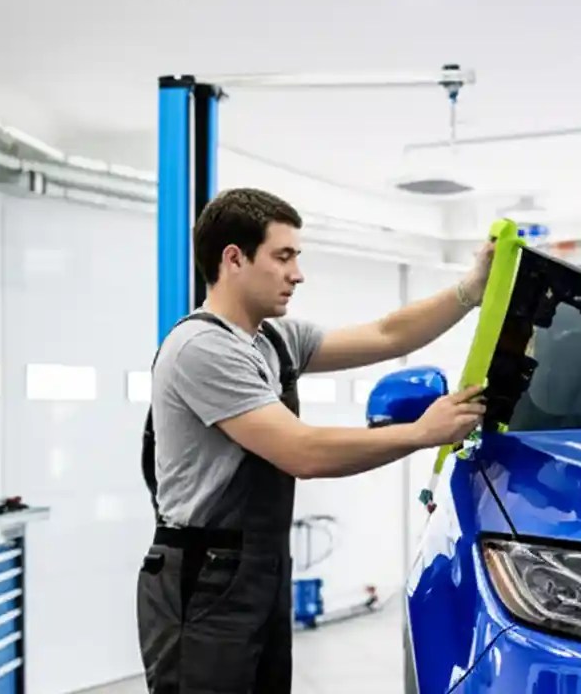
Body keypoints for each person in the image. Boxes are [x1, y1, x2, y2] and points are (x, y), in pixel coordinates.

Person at [135, 187, 490, 693]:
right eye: (283, 257)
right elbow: (302, 451)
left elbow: (389, 335)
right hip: (205, 581)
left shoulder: (273, 340)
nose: (296, 273)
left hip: (259, 569)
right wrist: (420, 433)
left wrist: (470, 291)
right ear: (233, 258)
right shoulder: (202, 348)